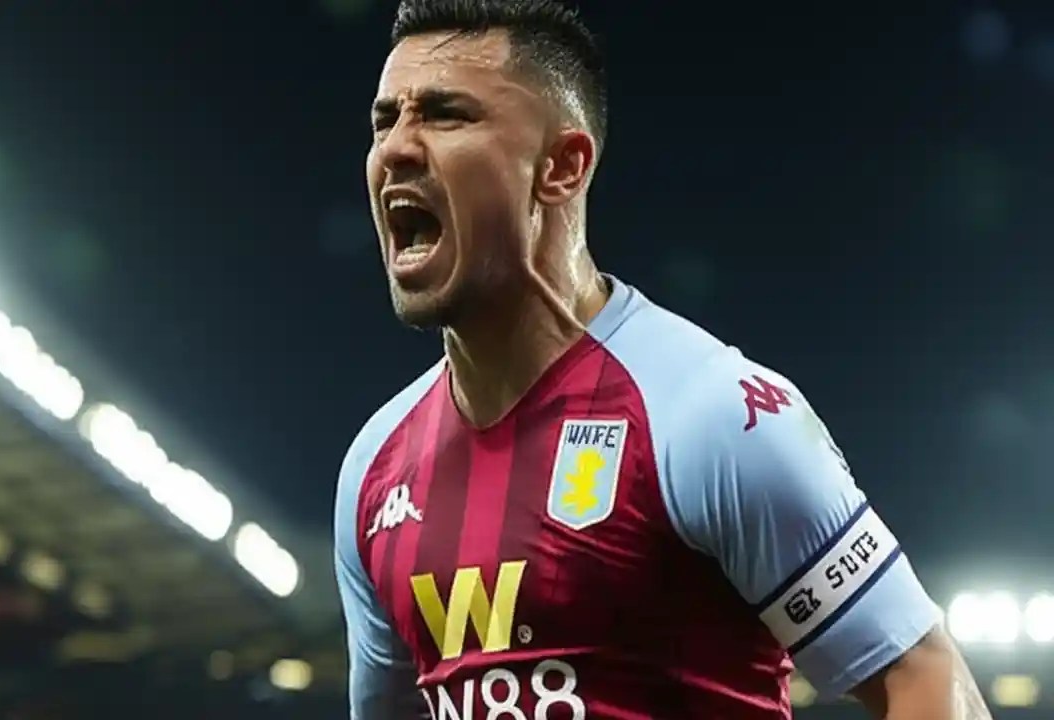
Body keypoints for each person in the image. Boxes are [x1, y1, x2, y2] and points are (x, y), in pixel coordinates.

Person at [332, 1, 992, 718]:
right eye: (384, 119)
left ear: (561, 165)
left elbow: (921, 678)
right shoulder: (374, 470)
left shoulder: (712, 417)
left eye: (445, 114)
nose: (397, 147)